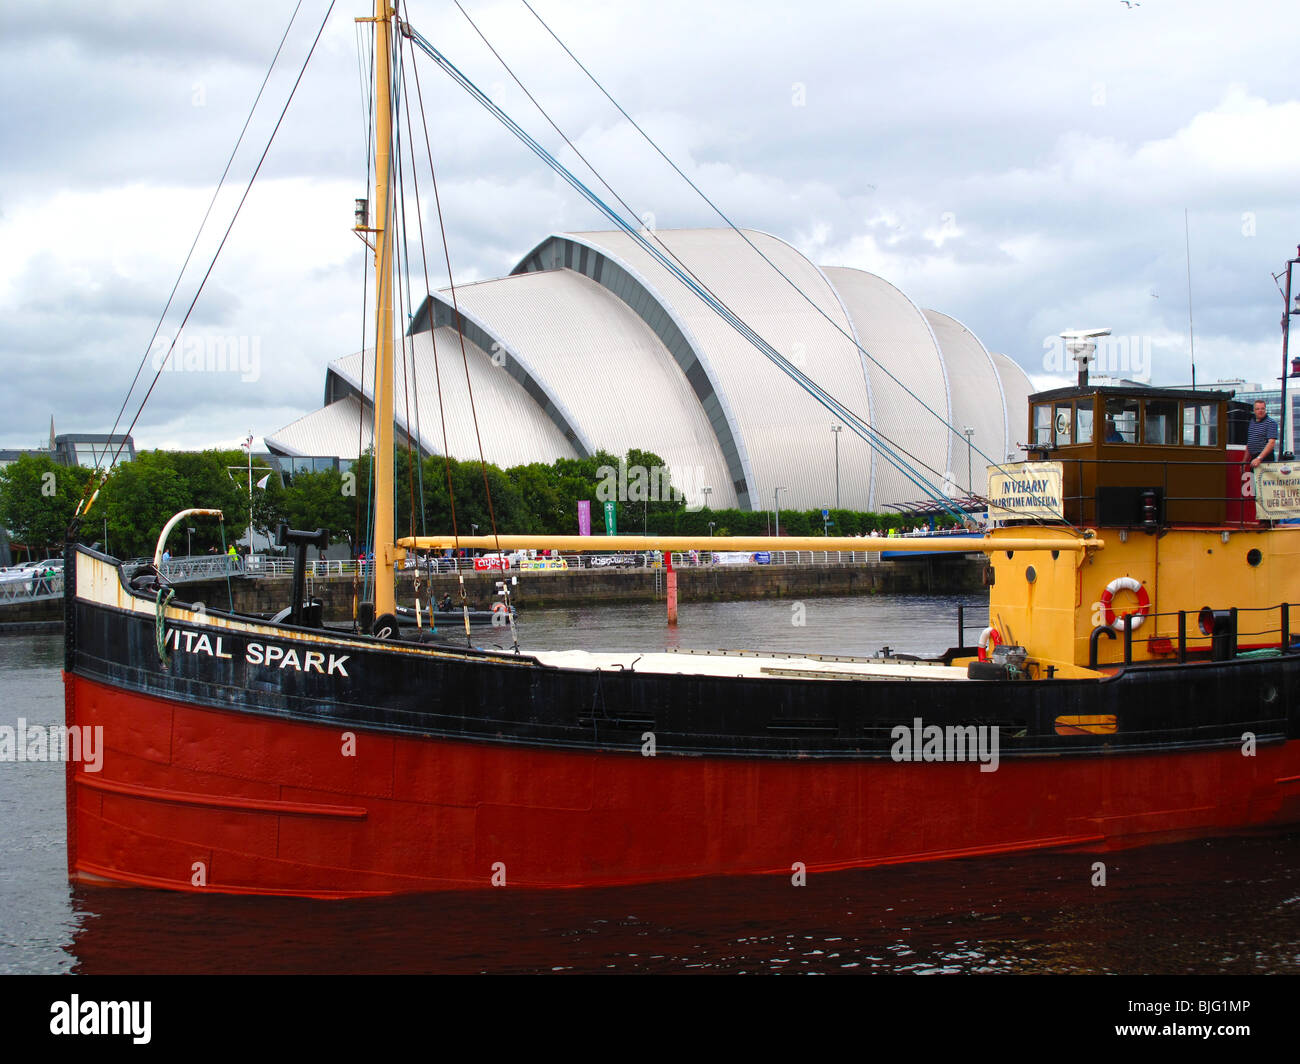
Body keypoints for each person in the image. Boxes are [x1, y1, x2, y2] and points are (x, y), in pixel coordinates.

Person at [1246, 399, 1278, 470]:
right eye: (1257, 409)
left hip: (1265, 459)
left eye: (1262, 408)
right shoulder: (1251, 422)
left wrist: (1259, 458)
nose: (1260, 411)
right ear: (1254, 410)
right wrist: (1244, 461)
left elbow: (1271, 443)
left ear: (1265, 409)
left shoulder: (1271, 423)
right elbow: (1250, 443)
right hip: (1253, 458)